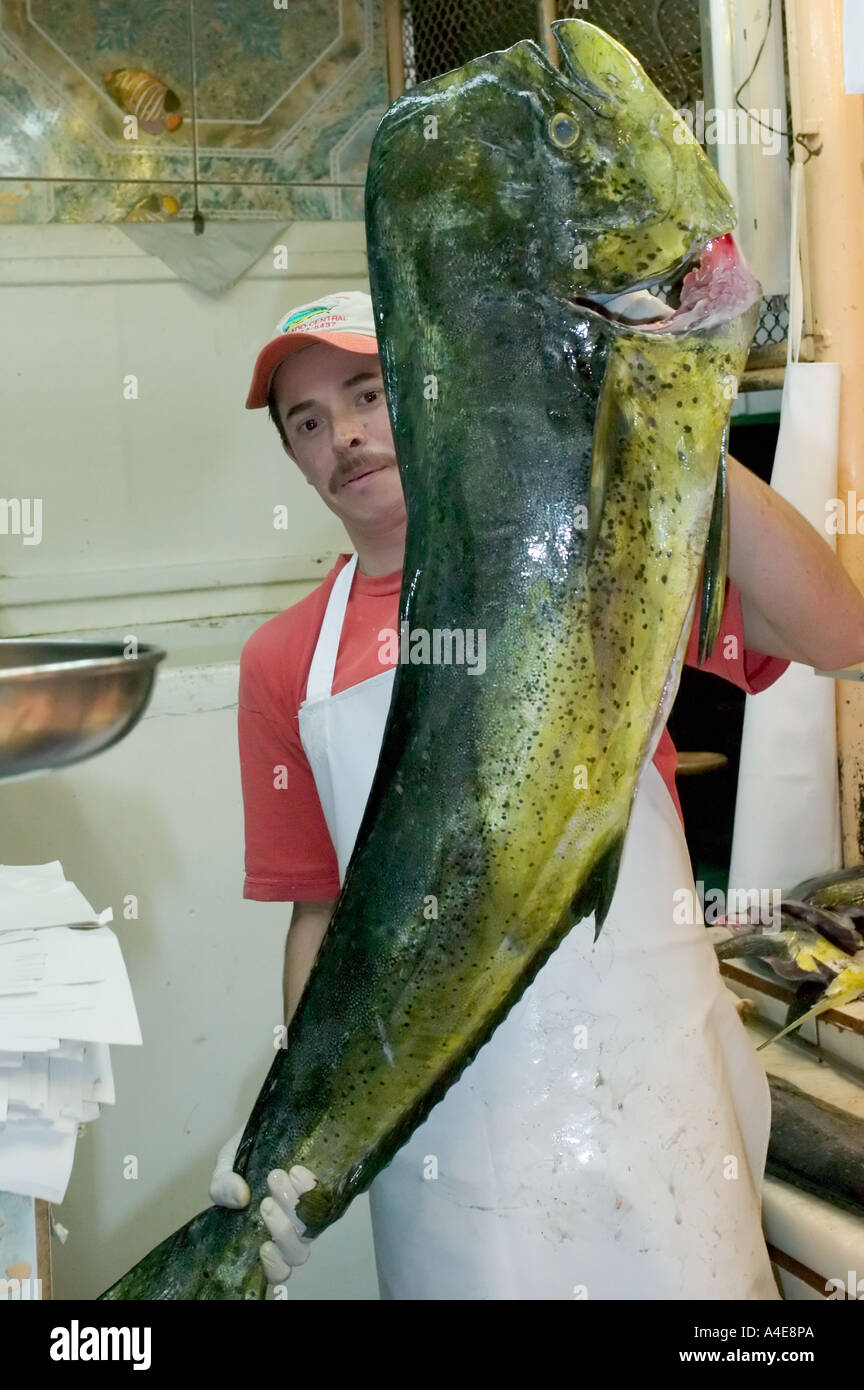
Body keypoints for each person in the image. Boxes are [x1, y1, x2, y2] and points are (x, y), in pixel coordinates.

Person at [211, 290, 864, 1300]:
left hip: (656, 1102)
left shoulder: (591, 557)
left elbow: (839, 634)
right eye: (305, 421)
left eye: (368, 393)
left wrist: (672, 422)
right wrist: (300, 1129)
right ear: (294, 457)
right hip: (443, 1145)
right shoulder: (283, 662)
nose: (341, 434)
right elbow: (321, 914)